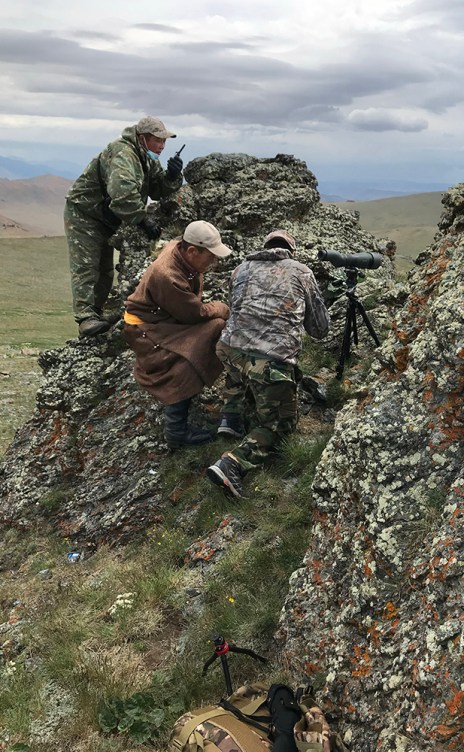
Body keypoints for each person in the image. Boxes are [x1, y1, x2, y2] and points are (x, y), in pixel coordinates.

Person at [206, 230, 330, 499]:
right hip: (269, 363)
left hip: (230, 352)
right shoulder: (302, 272)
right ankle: (233, 463)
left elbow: (238, 311)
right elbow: (320, 329)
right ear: (290, 251)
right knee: (280, 425)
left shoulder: (239, 270)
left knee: (241, 366)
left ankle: (231, 416)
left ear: (266, 248)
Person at [64, 115, 186, 338]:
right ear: (143, 138)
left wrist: (172, 176)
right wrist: (141, 218)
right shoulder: (124, 153)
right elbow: (122, 195)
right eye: (157, 140)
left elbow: (158, 190)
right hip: (85, 213)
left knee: (105, 270)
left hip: (106, 217)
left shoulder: (145, 158)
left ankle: (96, 316)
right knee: (87, 265)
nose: (161, 146)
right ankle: (85, 318)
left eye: (164, 141)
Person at [123, 220, 232, 450]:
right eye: (210, 256)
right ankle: (176, 432)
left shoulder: (182, 253)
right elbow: (194, 313)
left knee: (208, 334)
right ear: (192, 250)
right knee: (186, 357)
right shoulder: (167, 275)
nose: (213, 261)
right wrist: (220, 307)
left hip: (163, 321)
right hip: (147, 330)